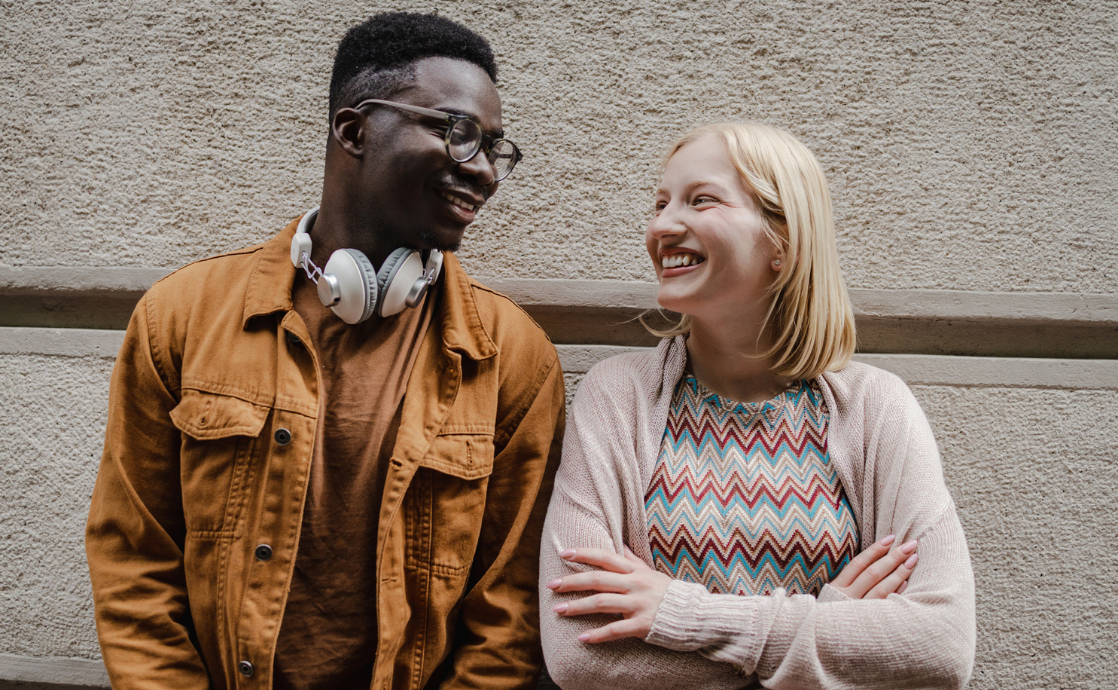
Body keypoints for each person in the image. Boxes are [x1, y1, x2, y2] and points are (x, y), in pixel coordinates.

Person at [86, 12, 565, 690]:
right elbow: (133, 565)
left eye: (495, 148)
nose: (483, 171)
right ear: (353, 130)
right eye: (457, 133)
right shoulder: (182, 316)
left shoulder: (513, 358)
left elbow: (509, 617)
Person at [539, 122, 975, 689]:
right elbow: (583, 656)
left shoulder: (875, 407)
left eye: (701, 200)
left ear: (783, 241)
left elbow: (939, 647)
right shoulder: (617, 395)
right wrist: (832, 620)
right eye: (661, 203)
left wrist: (684, 615)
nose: (663, 226)